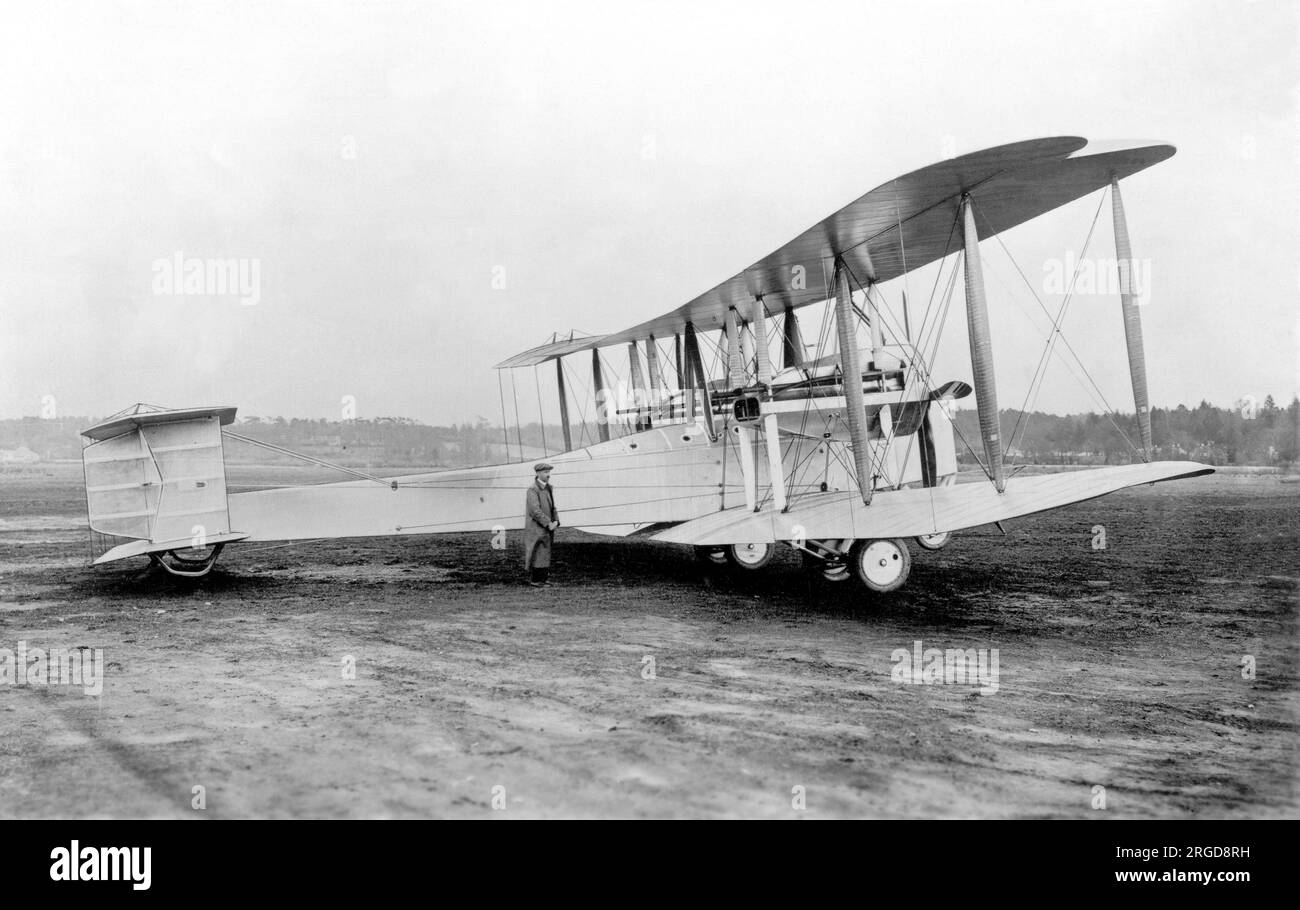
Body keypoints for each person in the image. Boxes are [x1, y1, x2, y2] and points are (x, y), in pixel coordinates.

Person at [524, 462, 559, 587]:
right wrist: (548, 523)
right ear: (538, 473)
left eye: (549, 472)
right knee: (538, 552)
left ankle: (542, 579)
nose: (548, 474)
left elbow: (553, 507)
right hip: (537, 528)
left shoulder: (548, 488)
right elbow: (535, 511)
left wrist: (556, 521)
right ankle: (536, 580)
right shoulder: (533, 490)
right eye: (545, 472)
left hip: (546, 527)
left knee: (545, 552)